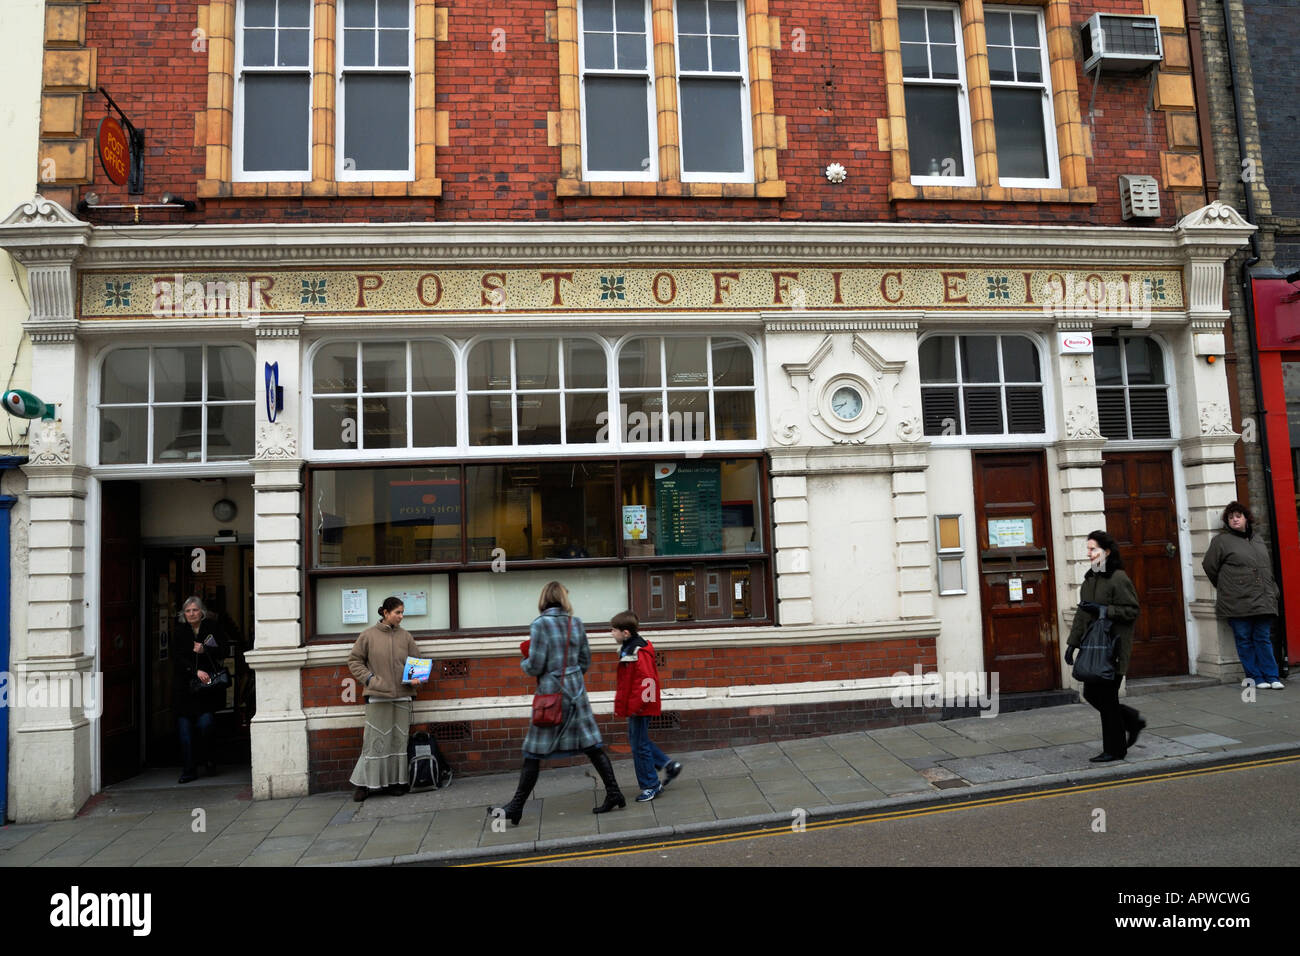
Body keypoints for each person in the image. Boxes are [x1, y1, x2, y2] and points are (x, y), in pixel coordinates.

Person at [491, 581, 624, 824]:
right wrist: (572, 676)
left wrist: (524, 662)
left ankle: (516, 807)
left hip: (551, 695)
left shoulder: (540, 625)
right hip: (576, 693)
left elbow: (535, 665)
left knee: (533, 751)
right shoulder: (576, 623)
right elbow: (585, 660)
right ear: (564, 599)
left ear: (543, 600)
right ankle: (614, 793)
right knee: (592, 745)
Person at [1064, 531, 1144, 763]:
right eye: (1088, 549)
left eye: (1093, 549)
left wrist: (1104, 610)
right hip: (1093, 648)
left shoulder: (1119, 578)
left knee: (1107, 699)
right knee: (1091, 693)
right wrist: (1072, 644)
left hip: (1113, 649)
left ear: (1106, 552)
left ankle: (1115, 749)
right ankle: (1131, 720)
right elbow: (1082, 613)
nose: (1088, 554)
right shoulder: (1090, 578)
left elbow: (1132, 611)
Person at [346, 597, 425, 802]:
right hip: (378, 696)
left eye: (402, 612)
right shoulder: (368, 635)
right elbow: (354, 661)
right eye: (397, 612)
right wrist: (370, 679)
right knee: (374, 742)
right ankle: (363, 785)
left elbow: (417, 662)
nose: (401, 616)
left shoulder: (406, 637)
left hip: (402, 695)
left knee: (398, 742)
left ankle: (396, 782)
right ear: (385, 613)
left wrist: (416, 679)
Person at [1202, 501, 1284, 689]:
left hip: (1263, 598)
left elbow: (1265, 568)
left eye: (1238, 516)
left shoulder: (1257, 539)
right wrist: (1227, 586)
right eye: (1231, 517)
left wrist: (1274, 591)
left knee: (1263, 637)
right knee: (1244, 638)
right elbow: (1209, 566)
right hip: (1237, 600)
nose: (1235, 520)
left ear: (1246, 518)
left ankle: (1272, 676)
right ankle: (1255, 677)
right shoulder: (1221, 541)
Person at [611, 610, 682, 802]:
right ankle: (668, 766)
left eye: (614, 630)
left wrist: (635, 707)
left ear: (626, 633)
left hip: (641, 707)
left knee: (639, 746)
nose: (611, 633)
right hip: (637, 706)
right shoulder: (629, 649)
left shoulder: (637, 651)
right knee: (639, 742)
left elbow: (647, 681)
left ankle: (651, 785)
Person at [173, 596, 228, 783]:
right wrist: (194, 670)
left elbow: (224, 650)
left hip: (206, 690)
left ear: (201, 611)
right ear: (183, 614)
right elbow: (176, 657)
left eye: (195, 610)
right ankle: (188, 770)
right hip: (185, 689)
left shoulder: (212, 627)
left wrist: (206, 650)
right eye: (187, 611)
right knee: (185, 732)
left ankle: (209, 759)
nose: (191, 614)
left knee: (206, 726)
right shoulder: (179, 631)